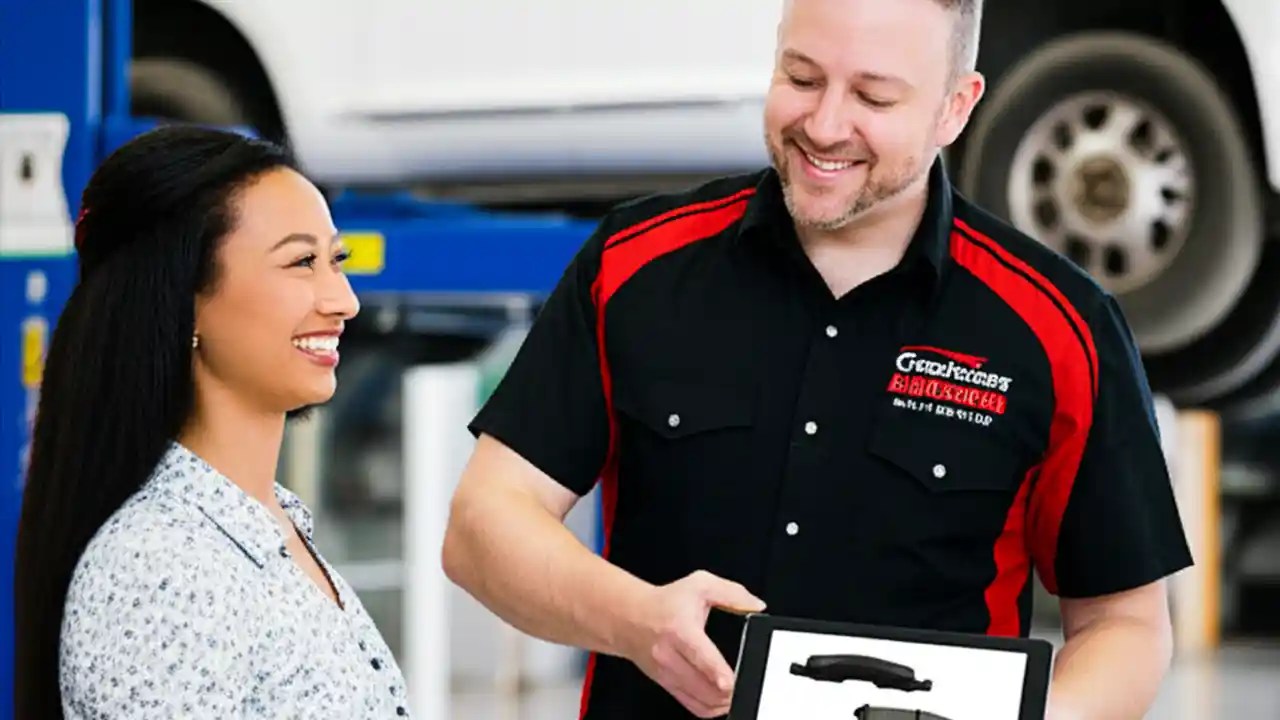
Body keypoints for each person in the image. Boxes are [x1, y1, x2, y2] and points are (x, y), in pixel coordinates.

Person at [442, 0, 1193, 719]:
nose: (825, 125)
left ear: (954, 107)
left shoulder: (1060, 326)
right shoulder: (635, 266)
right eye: (801, 78)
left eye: (874, 97)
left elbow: (1126, 626)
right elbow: (483, 525)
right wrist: (636, 619)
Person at [13, 126, 412, 719]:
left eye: (337, 260)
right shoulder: (159, 569)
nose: (344, 299)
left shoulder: (264, 531)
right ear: (187, 300)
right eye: (303, 262)